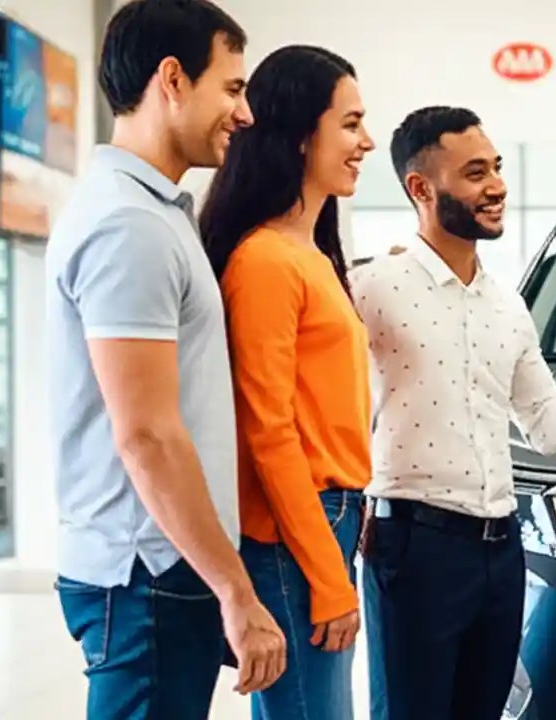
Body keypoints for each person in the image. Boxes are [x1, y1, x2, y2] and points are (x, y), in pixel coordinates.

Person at [351, 105, 556, 720]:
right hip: (413, 546)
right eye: (474, 174)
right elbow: (331, 408)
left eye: (495, 168)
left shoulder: (507, 307)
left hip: (500, 551)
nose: (496, 186)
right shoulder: (371, 289)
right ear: (420, 188)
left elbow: (545, 426)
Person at [45, 1, 287, 717]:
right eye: (233, 88)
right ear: (173, 79)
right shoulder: (129, 225)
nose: (244, 114)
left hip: (159, 565)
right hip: (145, 571)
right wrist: (235, 591)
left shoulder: (152, 212)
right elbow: (146, 434)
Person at [198, 44, 376, 720]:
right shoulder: (266, 263)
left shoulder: (311, 253)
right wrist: (328, 576)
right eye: (351, 124)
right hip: (294, 536)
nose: (366, 142)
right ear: (302, 134)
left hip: (329, 519)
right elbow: (268, 432)